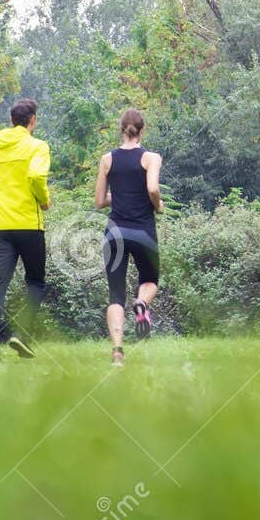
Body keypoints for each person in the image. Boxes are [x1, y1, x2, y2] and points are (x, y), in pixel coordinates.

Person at [0, 98, 50, 362]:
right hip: (29, 225)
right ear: (32, 121)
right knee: (35, 282)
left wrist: (2, 201)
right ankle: (21, 334)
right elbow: (36, 177)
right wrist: (43, 199)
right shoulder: (38, 147)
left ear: (11, 121)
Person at [93, 108, 163, 366]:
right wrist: (158, 205)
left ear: (121, 129)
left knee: (115, 295)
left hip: (115, 234)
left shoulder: (107, 159)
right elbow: (152, 188)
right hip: (143, 231)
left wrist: (120, 196)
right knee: (149, 281)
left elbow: (100, 201)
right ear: (142, 129)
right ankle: (142, 304)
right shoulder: (151, 158)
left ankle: (117, 352)